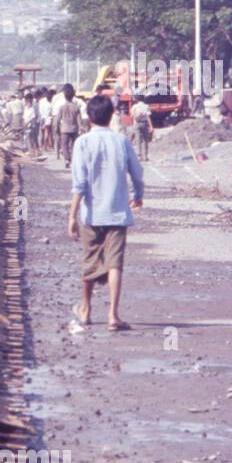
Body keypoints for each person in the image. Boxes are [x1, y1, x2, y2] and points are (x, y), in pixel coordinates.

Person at [67, 95, 144, 331]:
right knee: (115, 264)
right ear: (111, 116)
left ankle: (86, 309)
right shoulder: (121, 141)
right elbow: (137, 173)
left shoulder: (82, 143)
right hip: (118, 212)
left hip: (92, 214)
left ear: (89, 117)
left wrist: (72, 215)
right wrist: (137, 195)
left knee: (90, 261)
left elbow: (79, 183)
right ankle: (113, 315)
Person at [56, 84, 82, 165]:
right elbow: (79, 120)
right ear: (73, 96)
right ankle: (73, 159)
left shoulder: (61, 107)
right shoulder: (76, 107)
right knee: (74, 145)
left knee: (64, 145)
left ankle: (67, 159)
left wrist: (56, 128)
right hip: (74, 128)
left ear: (65, 96)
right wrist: (81, 128)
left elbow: (57, 120)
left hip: (64, 129)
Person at [130, 95, 153, 161]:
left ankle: (139, 156)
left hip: (137, 124)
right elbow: (148, 117)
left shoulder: (134, 106)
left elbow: (132, 115)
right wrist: (151, 126)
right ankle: (145, 156)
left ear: (137, 99)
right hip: (144, 123)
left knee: (138, 140)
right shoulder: (146, 106)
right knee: (145, 140)